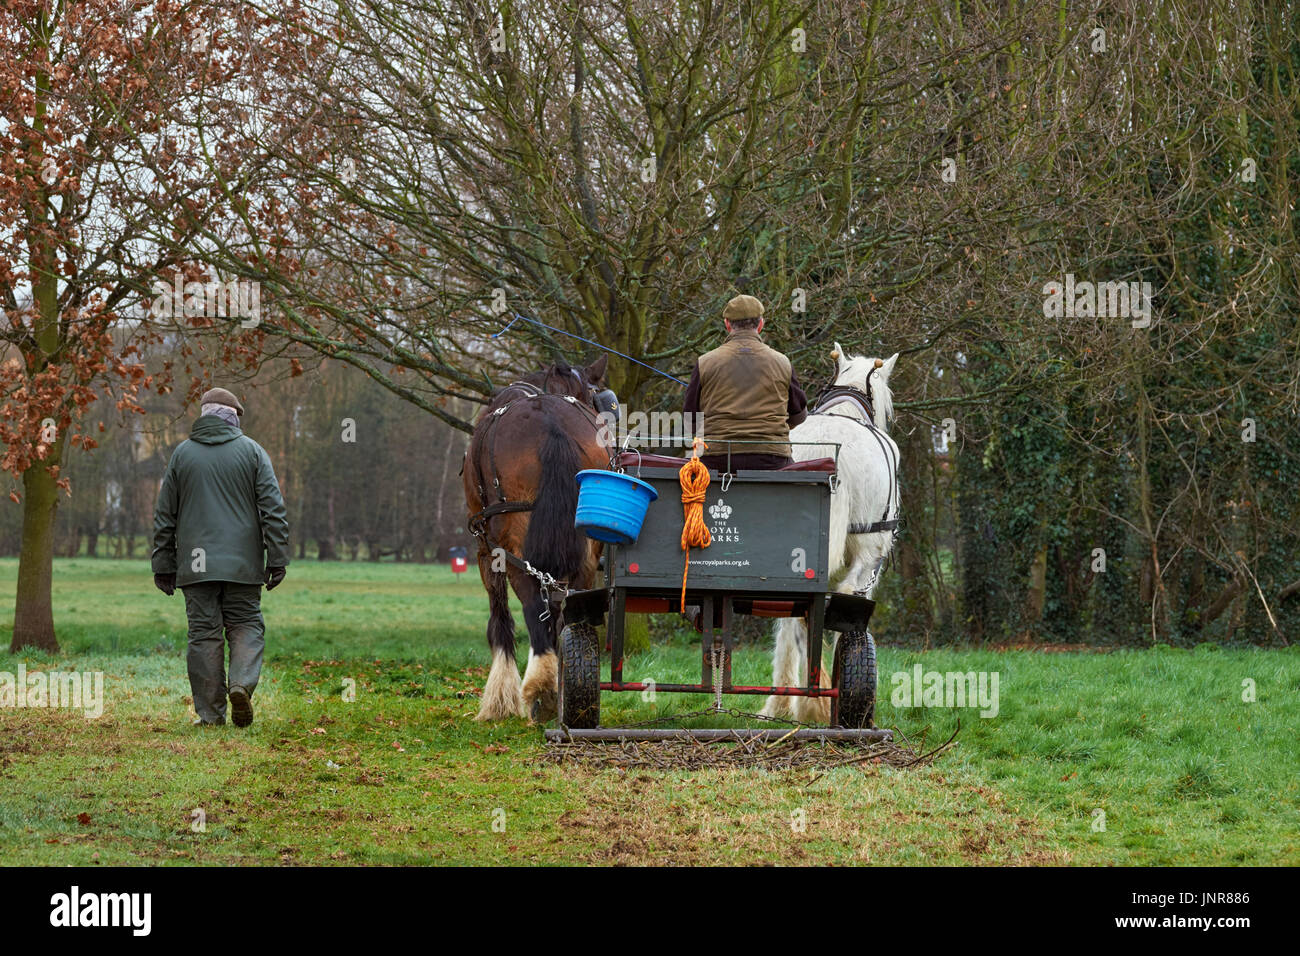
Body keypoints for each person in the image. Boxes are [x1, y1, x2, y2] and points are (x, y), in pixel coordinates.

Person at [151, 387, 290, 728]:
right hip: (243, 563)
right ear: (233, 417)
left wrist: (163, 563)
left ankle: (211, 716)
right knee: (245, 624)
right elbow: (273, 510)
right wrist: (277, 557)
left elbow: (165, 514)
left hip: (195, 565)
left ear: (204, 415)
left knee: (203, 635)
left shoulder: (182, 454)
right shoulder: (253, 452)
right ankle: (241, 684)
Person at [682, 294, 808, 470]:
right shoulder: (782, 362)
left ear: (727, 324)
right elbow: (799, 415)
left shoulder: (705, 362)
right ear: (761, 324)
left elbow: (690, 420)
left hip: (716, 458)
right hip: (772, 459)